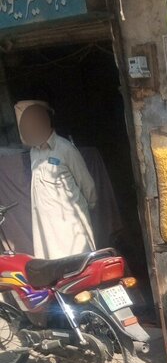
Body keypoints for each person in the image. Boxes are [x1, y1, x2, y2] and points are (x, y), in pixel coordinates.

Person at [14, 100, 97, 260]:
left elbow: (88, 185)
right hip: (46, 230)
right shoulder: (34, 153)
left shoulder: (65, 149)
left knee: (78, 265)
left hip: (70, 228)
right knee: (55, 270)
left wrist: (87, 209)